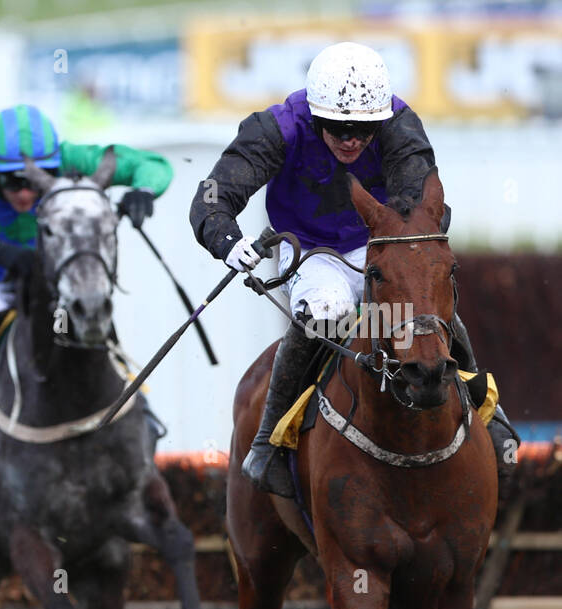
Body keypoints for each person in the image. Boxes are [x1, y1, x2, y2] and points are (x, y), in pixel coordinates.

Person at [190, 41, 517, 498]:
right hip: (310, 248)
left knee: (422, 298)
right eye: (338, 129)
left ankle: (488, 411)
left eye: (362, 131)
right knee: (328, 310)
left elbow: (419, 204)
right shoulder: (276, 128)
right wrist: (225, 238)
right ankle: (268, 438)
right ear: (315, 117)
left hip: (380, 240)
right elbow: (213, 194)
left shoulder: (399, 125)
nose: (351, 141)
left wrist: (409, 253)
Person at [0, 104, 172, 406]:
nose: (25, 193)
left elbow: (153, 164)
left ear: (54, 165)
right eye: (13, 181)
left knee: (92, 311)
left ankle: (132, 403)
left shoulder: (72, 158)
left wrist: (144, 189)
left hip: (52, 279)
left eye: (38, 178)